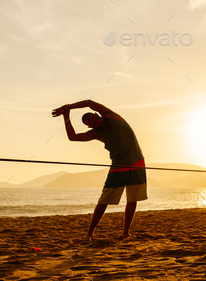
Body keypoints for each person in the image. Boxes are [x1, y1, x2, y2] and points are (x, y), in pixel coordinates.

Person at [52, 100, 147, 240]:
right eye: (94, 123)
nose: (98, 122)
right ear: (91, 126)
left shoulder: (111, 116)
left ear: (98, 114)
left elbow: (89, 102)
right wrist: (66, 116)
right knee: (104, 200)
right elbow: (72, 137)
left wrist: (67, 107)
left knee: (132, 199)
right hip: (118, 167)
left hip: (138, 163)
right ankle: (89, 234)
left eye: (97, 118)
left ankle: (126, 233)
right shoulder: (95, 134)